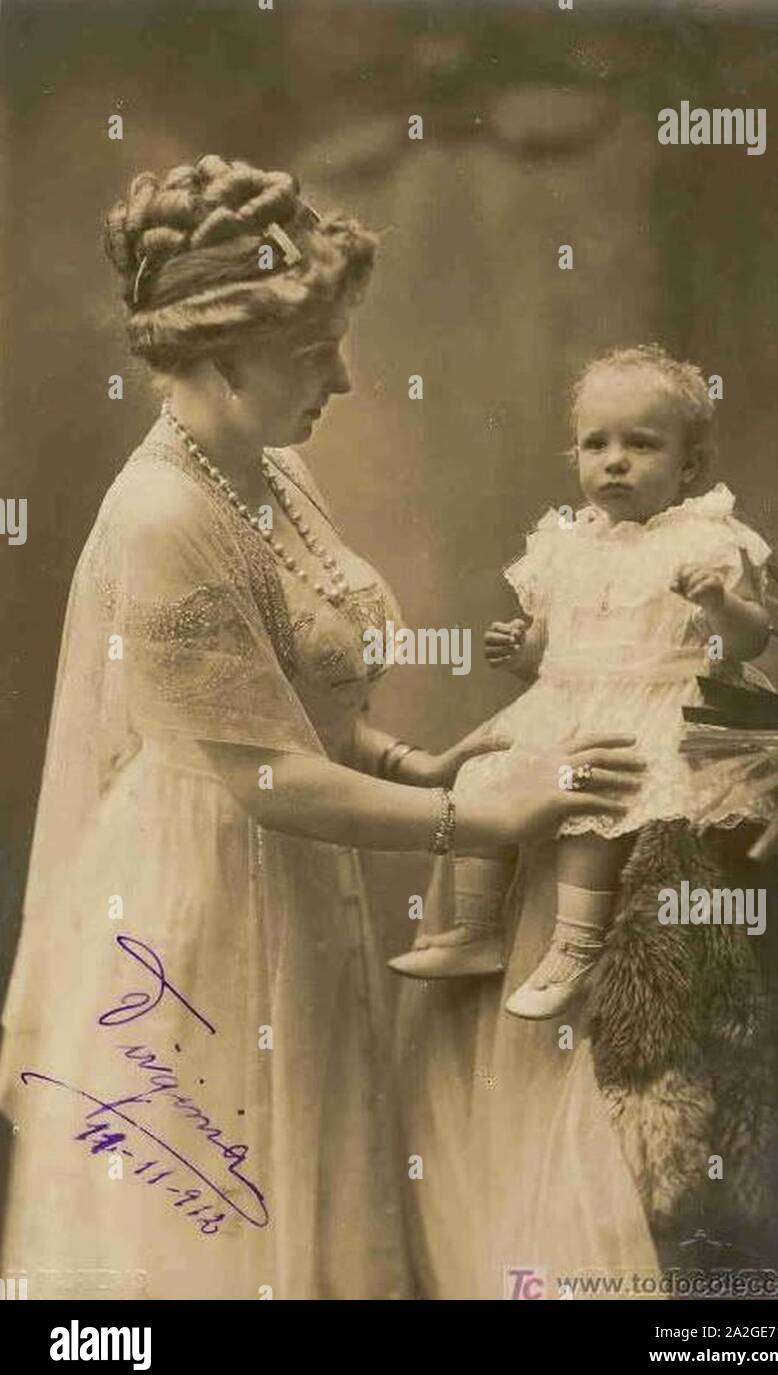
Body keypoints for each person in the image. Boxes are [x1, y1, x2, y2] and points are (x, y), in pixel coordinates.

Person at [0, 155, 643, 1300]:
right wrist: (465, 814)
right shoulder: (159, 517)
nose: (344, 379)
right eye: (311, 354)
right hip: (199, 902)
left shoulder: (269, 470)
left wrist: (427, 762)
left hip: (296, 881)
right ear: (208, 355)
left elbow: (301, 709)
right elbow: (266, 773)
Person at [389, 346, 771, 1019]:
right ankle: (475, 930)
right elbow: (552, 646)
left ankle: (576, 945)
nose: (615, 459)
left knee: (592, 810)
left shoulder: (707, 539)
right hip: (567, 700)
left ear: (689, 465)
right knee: (482, 781)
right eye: (596, 444)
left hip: (657, 703)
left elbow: (747, 641)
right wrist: (521, 649)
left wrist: (719, 604)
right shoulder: (565, 544)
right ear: (576, 458)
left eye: (641, 444)